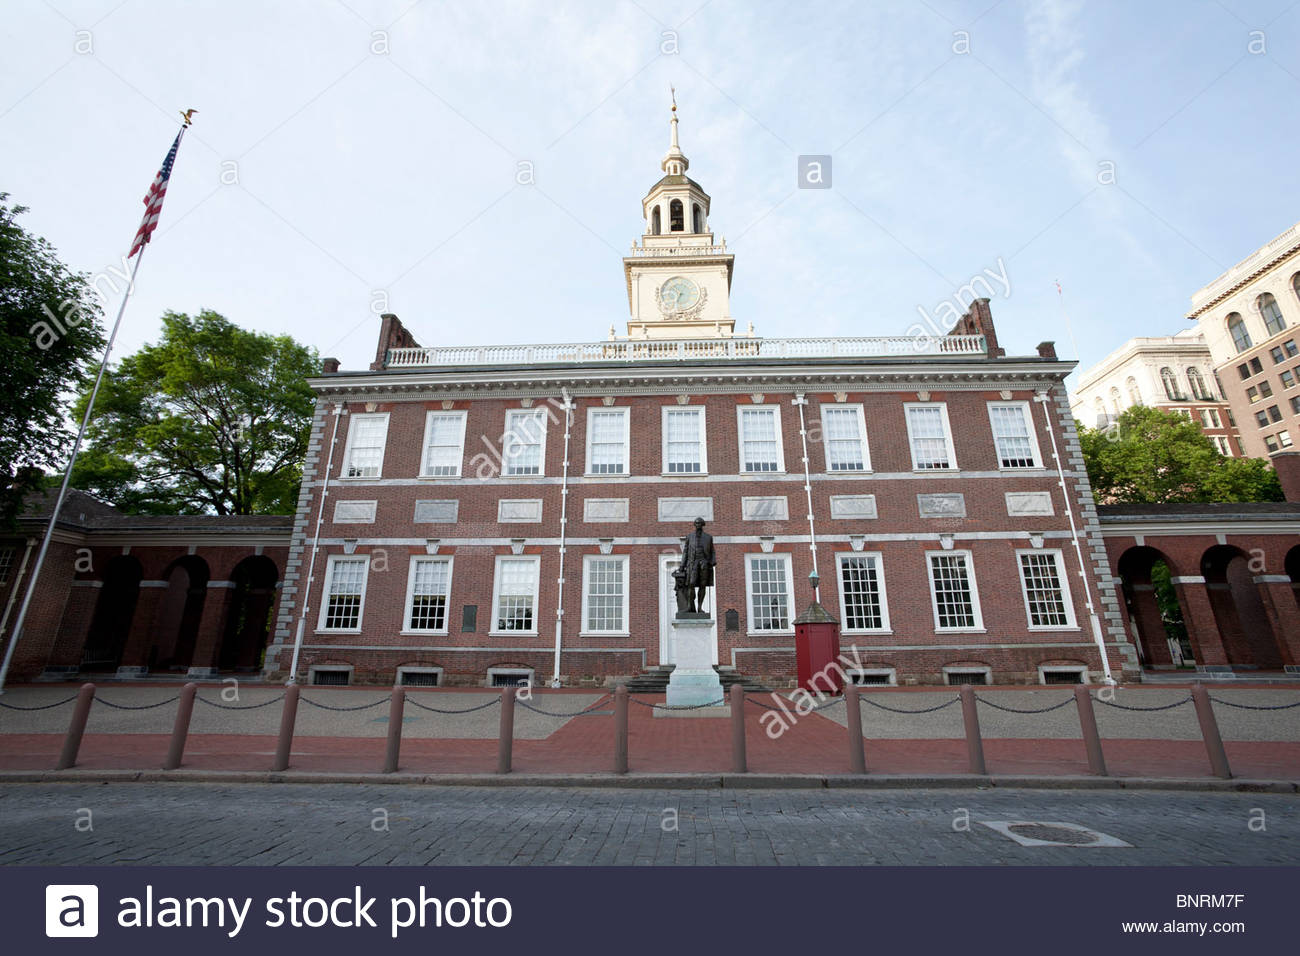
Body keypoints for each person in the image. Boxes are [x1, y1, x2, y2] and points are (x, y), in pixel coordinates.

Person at [680, 516, 716, 614]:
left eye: (699, 523)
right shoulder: (689, 536)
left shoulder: (708, 537)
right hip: (693, 563)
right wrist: (682, 566)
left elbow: (712, 551)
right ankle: (690, 606)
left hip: (704, 563)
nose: (697, 525)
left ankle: (700, 607)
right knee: (691, 584)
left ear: (702, 524)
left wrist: (713, 561)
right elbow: (685, 552)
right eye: (696, 523)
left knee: (702, 585)